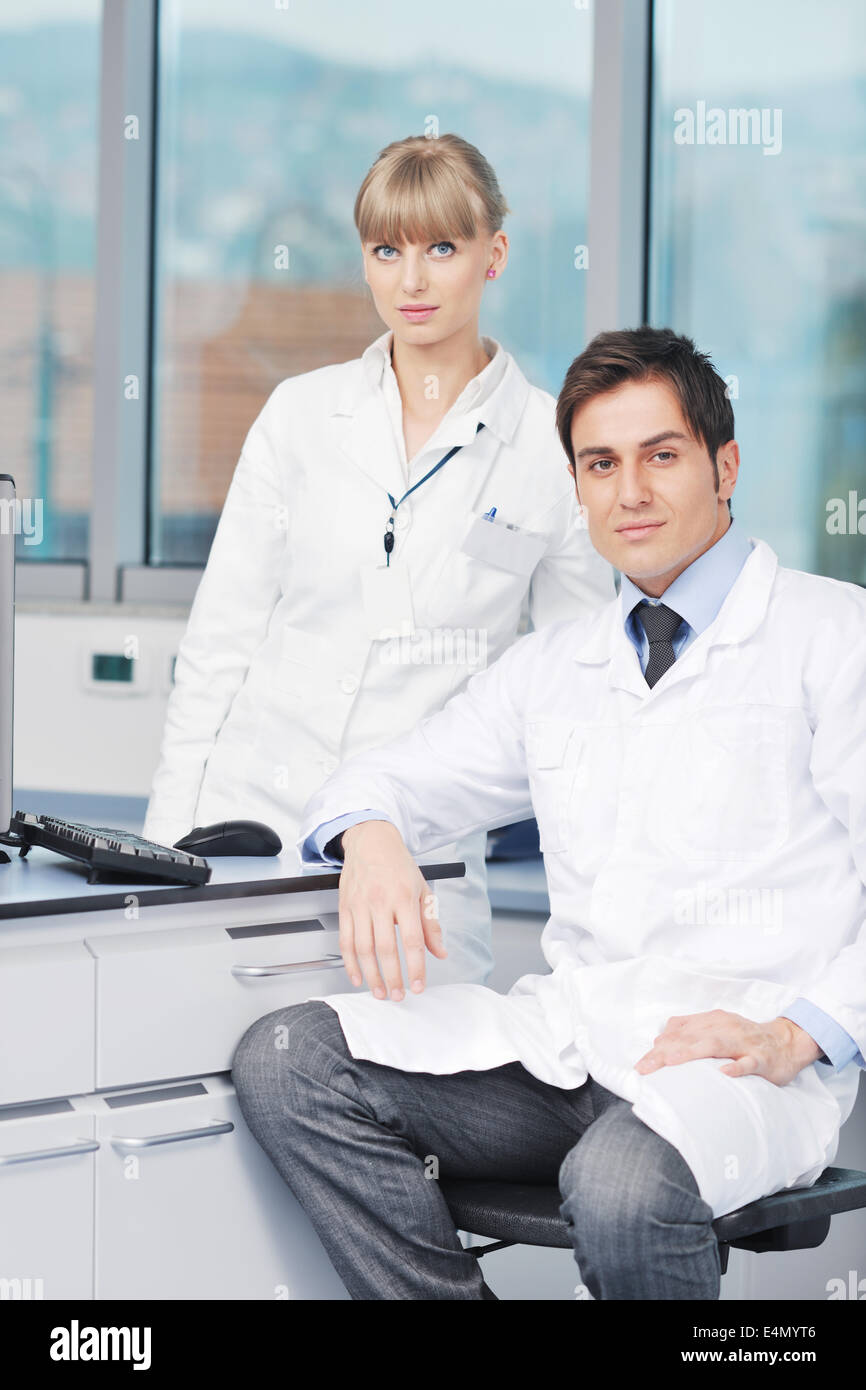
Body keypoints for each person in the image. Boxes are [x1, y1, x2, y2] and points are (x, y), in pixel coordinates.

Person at [231, 326, 866, 1300]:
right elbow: (377, 779)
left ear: (723, 463)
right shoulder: (552, 668)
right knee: (288, 1060)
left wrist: (800, 1031)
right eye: (598, 464)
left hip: (748, 1061)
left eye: (660, 455)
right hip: (572, 1045)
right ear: (575, 486)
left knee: (616, 1188)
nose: (629, 491)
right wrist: (371, 839)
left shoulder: (832, 637)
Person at [142, 132, 613, 986]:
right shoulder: (299, 416)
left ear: (493, 254)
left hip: (415, 864)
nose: (413, 280)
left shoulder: (549, 451)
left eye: (443, 247)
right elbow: (217, 648)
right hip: (246, 833)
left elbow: (569, 693)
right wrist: (166, 851)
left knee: (402, 1091)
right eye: (386, 250)